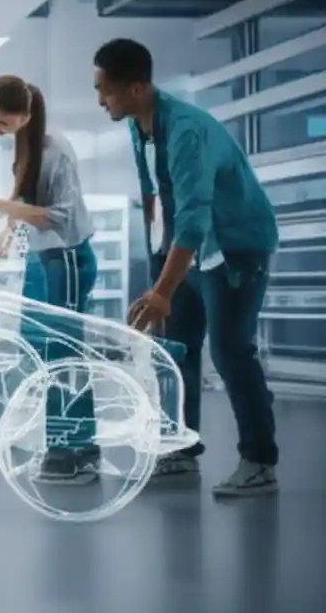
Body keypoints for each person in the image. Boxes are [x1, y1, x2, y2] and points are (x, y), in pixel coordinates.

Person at [94, 38, 280, 496]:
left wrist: (161, 292)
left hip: (234, 248)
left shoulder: (184, 131)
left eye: (106, 91)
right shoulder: (141, 125)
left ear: (135, 88)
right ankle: (179, 450)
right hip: (190, 252)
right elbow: (159, 200)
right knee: (175, 348)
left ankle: (258, 462)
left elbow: (194, 217)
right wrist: (161, 277)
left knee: (231, 351)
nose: (100, 100)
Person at [0, 75, 100, 484]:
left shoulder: (55, 149)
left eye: (2, 125)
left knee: (63, 353)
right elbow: (30, 197)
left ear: (26, 116)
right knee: (40, 346)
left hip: (66, 258)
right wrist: (10, 226)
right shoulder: (29, 144)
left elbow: (59, 216)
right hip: (43, 257)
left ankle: (73, 447)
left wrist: (0, 206)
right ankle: (63, 441)